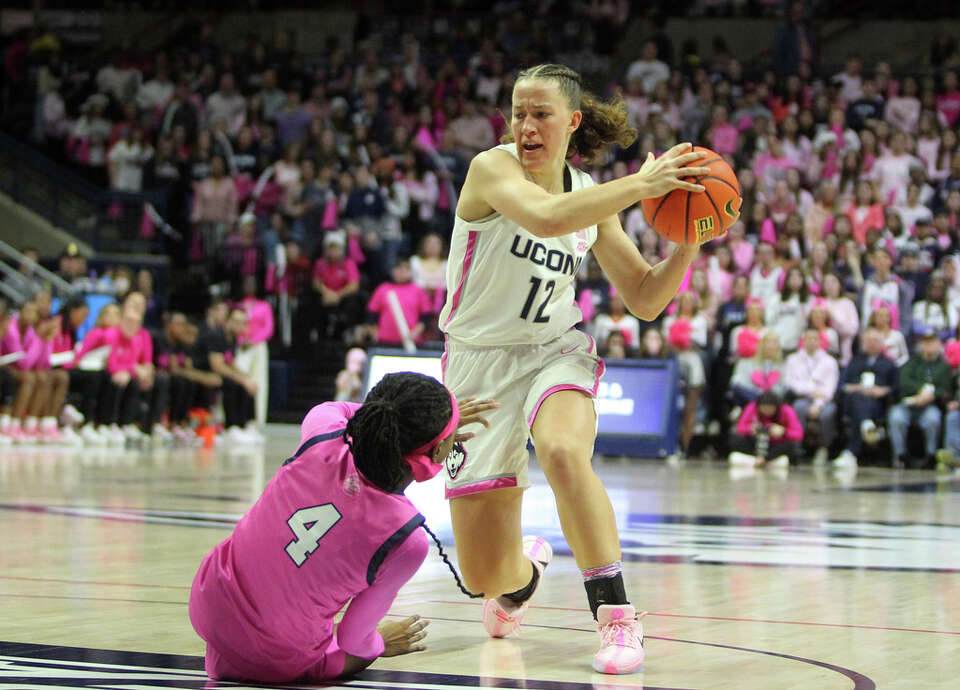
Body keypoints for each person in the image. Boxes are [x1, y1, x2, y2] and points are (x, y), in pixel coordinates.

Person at [437, 63, 722, 674]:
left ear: (571, 121)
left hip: (552, 351)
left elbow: (645, 300)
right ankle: (523, 577)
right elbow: (545, 218)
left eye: (540, 113)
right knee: (483, 575)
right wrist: (643, 185)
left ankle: (617, 617)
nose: (526, 125)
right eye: (518, 112)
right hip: (476, 367)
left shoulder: (592, 196)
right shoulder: (493, 168)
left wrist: (688, 242)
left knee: (565, 451)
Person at [189, 373, 496, 683]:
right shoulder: (405, 538)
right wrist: (378, 644)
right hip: (277, 658)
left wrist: (401, 419)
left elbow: (349, 411)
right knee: (359, 651)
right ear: (438, 450)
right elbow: (352, 640)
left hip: (206, 603)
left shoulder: (321, 432)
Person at [834, 328, 899, 468]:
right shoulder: (855, 361)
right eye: (868, 341)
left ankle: (851, 452)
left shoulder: (889, 363)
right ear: (863, 343)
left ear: (882, 344)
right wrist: (857, 388)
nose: (872, 344)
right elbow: (842, 386)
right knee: (858, 397)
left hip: (877, 404)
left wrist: (882, 390)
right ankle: (867, 426)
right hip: (852, 402)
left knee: (861, 410)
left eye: (875, 341)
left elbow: (895, 388)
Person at [886, 333, 952, 469]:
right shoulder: (911, 362)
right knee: (896, 417)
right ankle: (900, 456)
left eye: (932, 343)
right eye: (926, 343)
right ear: (921, 345)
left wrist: (931, 395)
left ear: (939, 345)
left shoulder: (944, 366)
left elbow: (945, 387)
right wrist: (920, 391)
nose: (929, 346)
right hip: (909, 402)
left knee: (933, 419)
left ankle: (931, 456)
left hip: (930, 404)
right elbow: (904, 381)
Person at [784, 327, 840, 465]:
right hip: (801, 398)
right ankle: (796, 448)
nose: (811, 342)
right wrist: (810, 390)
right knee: (798, 408)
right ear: (803, 341)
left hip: (824, 401)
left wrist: (818, 404)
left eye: (814, 339)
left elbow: (830, 389)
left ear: (820, 341)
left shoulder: (829, 361)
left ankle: (824, 448)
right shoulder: (793, 359)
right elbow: (790, 383)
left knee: (828, 413)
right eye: (808, 339)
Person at [728, 391, 803, 468]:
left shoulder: (786, 411)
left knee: (791, 446)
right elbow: (740, 427)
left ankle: (763, 461)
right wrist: (750, 428)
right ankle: (761, 461)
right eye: (764, 408)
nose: (767, 411)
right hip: (756, 444)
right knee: (735, 439)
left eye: (770, 408)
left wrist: (784, 431)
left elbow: (798, 434)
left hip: (775, 446)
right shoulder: (752, 407)